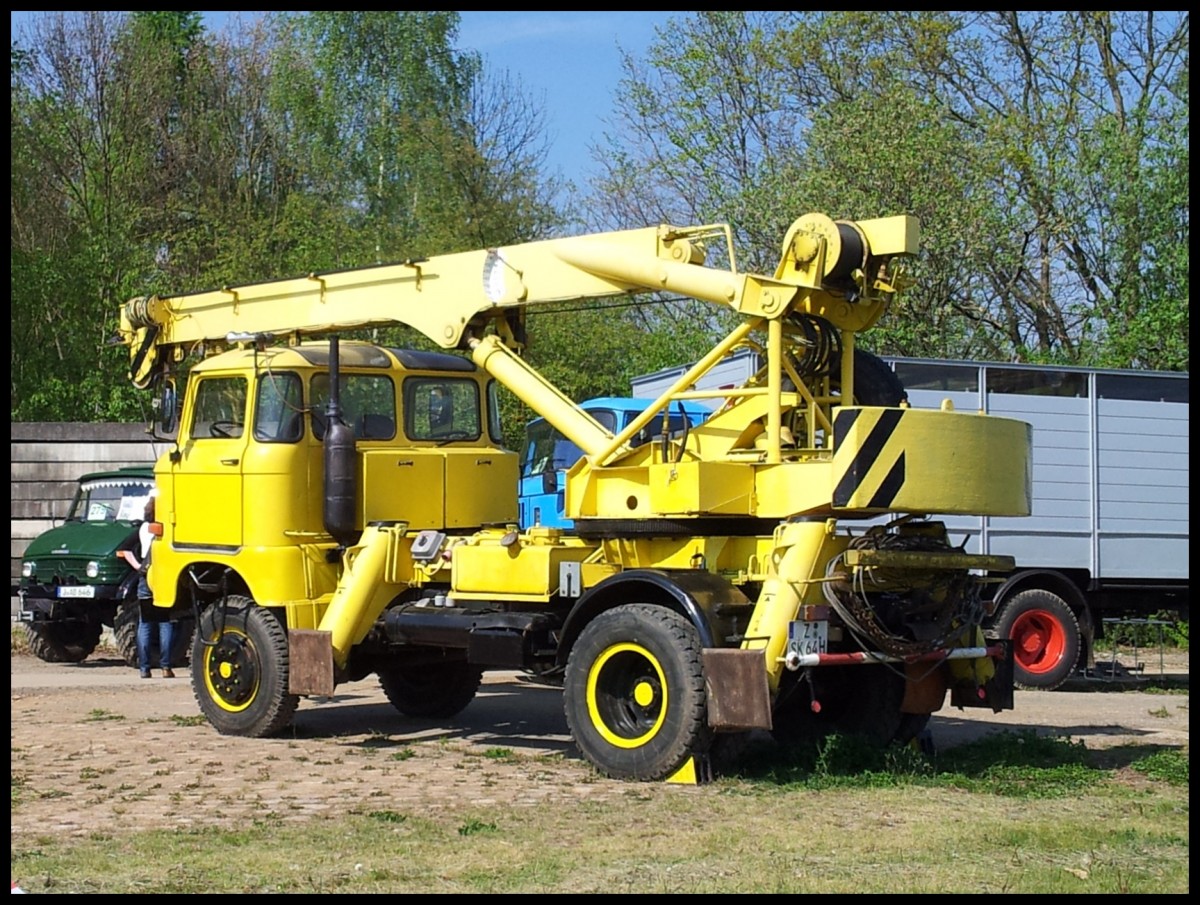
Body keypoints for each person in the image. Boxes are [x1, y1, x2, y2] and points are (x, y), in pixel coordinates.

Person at [118, 496, 176, 679]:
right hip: (163, 574)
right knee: (165, 622)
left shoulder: (143, 528)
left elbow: (124, 549)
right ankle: (166, 667)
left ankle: (144, 668)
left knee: (145, 623)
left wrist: (138, 566)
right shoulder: (166, 529)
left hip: (145, 575)